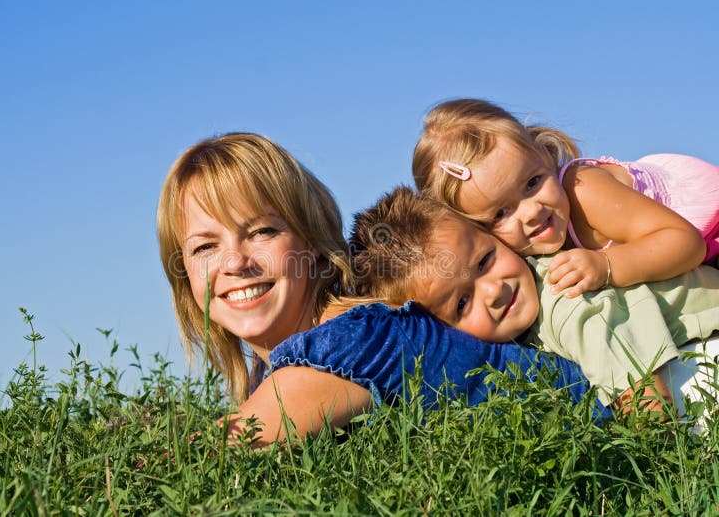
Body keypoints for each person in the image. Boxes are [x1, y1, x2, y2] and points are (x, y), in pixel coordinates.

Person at [157, 132, 609, 445]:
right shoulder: (272, 374)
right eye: (204, 247)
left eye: (261, 232)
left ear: (313, 243)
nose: (236, 262)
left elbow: (220, 450)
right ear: (186, 276)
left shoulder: (363, 336)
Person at [349, 186, 719, 413]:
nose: (494, 291)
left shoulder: (565, 298)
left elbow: (643, 398)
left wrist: (663, 466)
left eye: (485, 261)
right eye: (462, 304)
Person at [412, 98, 719, 298]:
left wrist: (604, 265)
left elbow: (686, 243)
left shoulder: (582, 191)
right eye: (500, 214)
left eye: (532, 183)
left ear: (545, 154)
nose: (530, 212)